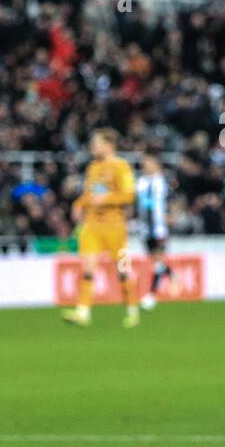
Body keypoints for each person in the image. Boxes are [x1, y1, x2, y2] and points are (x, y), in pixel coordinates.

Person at [62, 128, 139, 328]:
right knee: (88, 269)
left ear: (109, 145)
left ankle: (132, 309)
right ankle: (83, 312)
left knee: (122, 269)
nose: (92, 147)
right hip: (93, 226)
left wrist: (107, 198)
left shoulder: (121, 167)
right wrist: (78, 204)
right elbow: (89, 194)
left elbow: (128, 195)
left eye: (96, 144)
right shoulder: (93, 168)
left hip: (115, 227)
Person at [136, 151, 174, 310]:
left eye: (149, 162)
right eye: (145, 163)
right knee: (155, 260)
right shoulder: (141, 182)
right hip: (145, 227)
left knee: (157, 260)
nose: (146, 165)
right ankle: (172, 275)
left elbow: (169, 201)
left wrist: (169, 217)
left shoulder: (161, 182)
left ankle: (151, 294)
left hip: (158, 228)